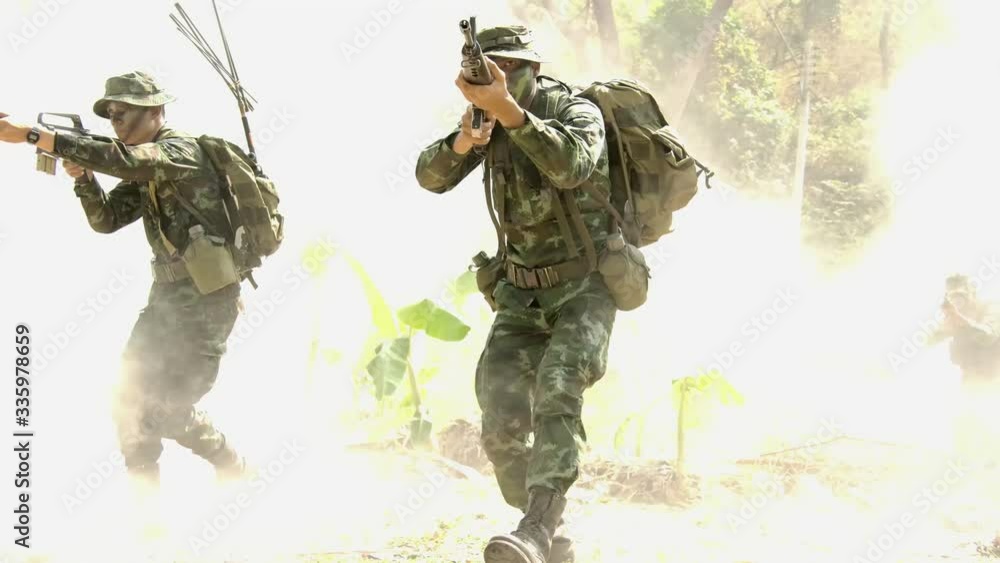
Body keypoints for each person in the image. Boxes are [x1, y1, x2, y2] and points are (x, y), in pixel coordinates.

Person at [0, 71, 247, 529]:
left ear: (156, 112)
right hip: (167, 298)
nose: (116, 122)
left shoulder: (178, 152)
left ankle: (232, 468)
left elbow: (129, 161)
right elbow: (108, 219)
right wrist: (84, 179)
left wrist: (35, 135)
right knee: (128, 397)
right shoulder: (143, 164)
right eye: (111, 115)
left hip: (208, 301)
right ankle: (147, 520)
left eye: (124, 113)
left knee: (168, 410)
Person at [415, 25, 617, 563]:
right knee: (499, 414)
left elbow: (572, 166)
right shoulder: (488, 122)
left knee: (557, 389)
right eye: (485, 73)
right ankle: (550, 531)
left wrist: (512, 114)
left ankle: (535, 527)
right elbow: (429, 178)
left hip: (584, 287)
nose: (496, 81)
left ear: (531, 68)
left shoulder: (573, 109)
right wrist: (465, 139)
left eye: (506, 70)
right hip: (521, 292)